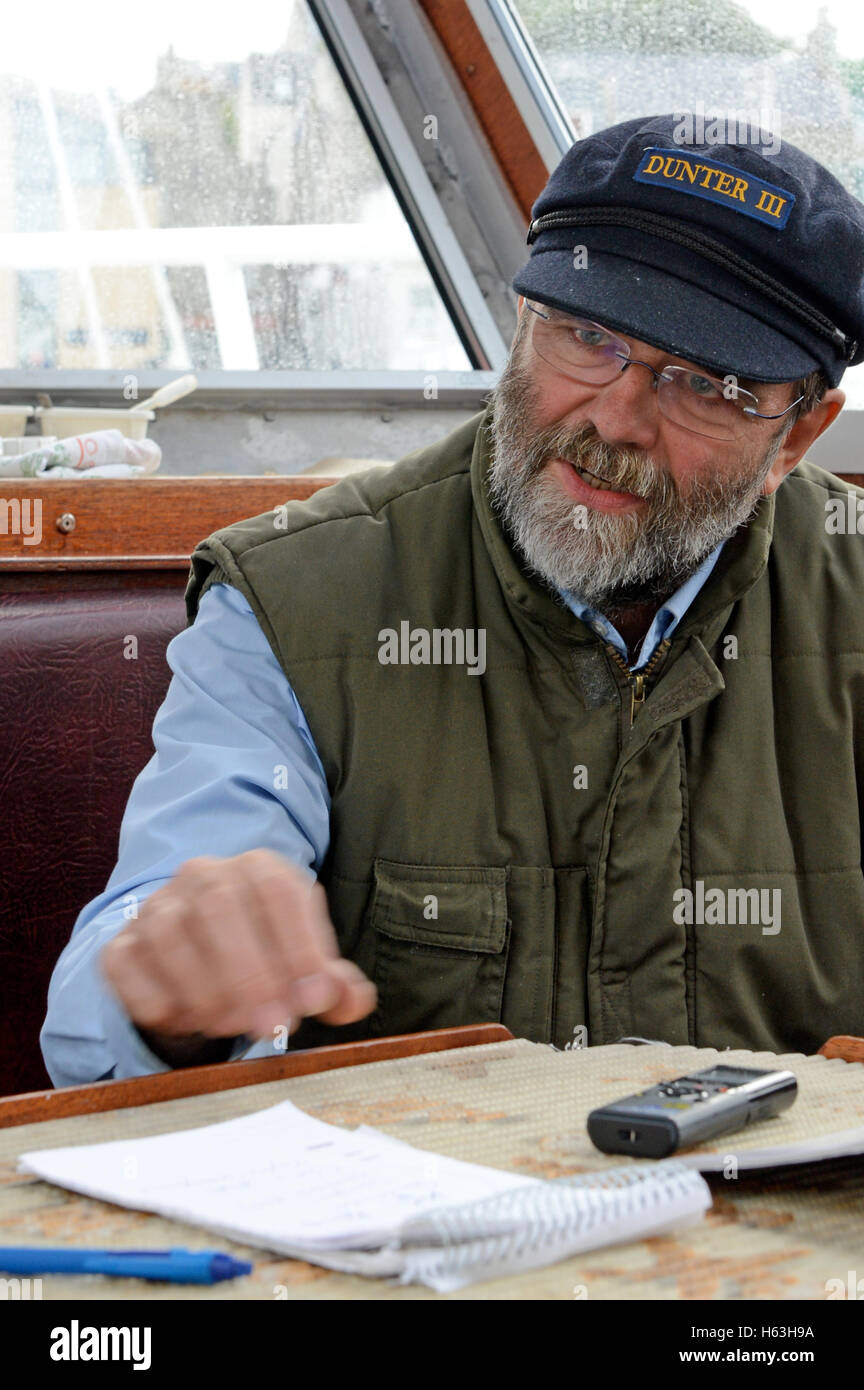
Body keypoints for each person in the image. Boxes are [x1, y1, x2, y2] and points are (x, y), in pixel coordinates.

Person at [42, 113, 864, 1086]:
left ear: (800, 435)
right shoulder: (295, 601)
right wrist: (168, 993)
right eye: (587, 335)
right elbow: (111, 1008)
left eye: (702, 383)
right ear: (522, 322)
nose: (616, 417)